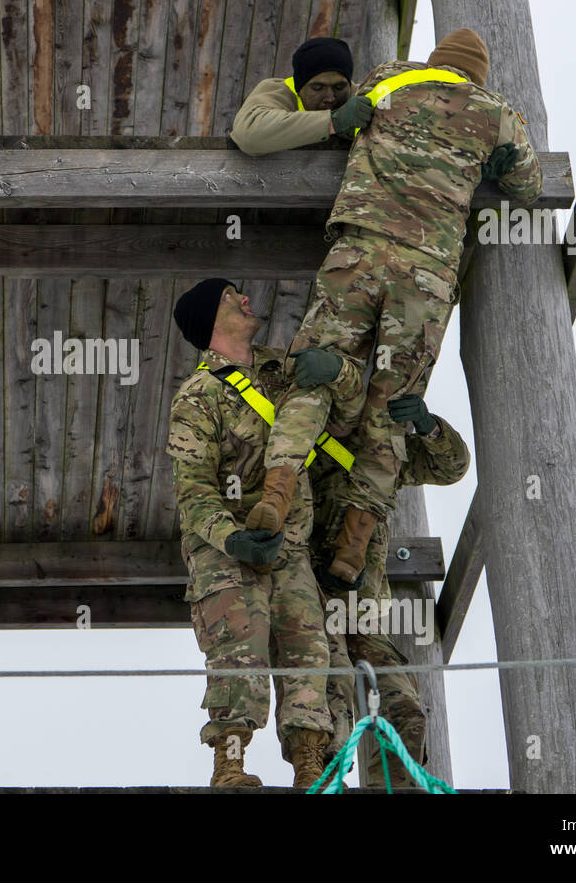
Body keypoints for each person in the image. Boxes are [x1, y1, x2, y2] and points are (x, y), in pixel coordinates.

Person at [247, 28, 543, 591]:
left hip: (358, 249)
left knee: (310, 377)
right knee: (392, 408)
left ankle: (275, 493)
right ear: (475, 75)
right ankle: (352, 551)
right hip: (427, 273)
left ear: (433, 62)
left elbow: (342, 119)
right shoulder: (495, 112)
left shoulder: (387, 78)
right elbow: (527, 184)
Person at [165, 278, 364, 788]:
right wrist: (232, 539)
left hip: (291, 548)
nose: (248, 299)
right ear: (211, 320)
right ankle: (230, 768)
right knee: (239, 649)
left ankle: (310, 770)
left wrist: (339, 372)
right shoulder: (198, 398)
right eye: (234, 296)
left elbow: (352, 408)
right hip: (226, 550)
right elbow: (193, 493)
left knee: (309, 653)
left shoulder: (286, 371)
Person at [312, 393, 471, 787]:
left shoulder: (379, 458)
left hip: (363, 621)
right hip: (309, 616)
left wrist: (429, 426)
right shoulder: (297, 453)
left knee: (405, 712)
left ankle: (394, 787)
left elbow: (451, 466)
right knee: (326, 720)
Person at [230, 36, 373, 154]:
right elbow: (249, 135)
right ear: (300, 87)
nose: (330, 97)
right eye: (317, 88)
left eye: (339, 87)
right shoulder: (278, 91)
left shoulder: (361, 95)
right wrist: (334, 121)